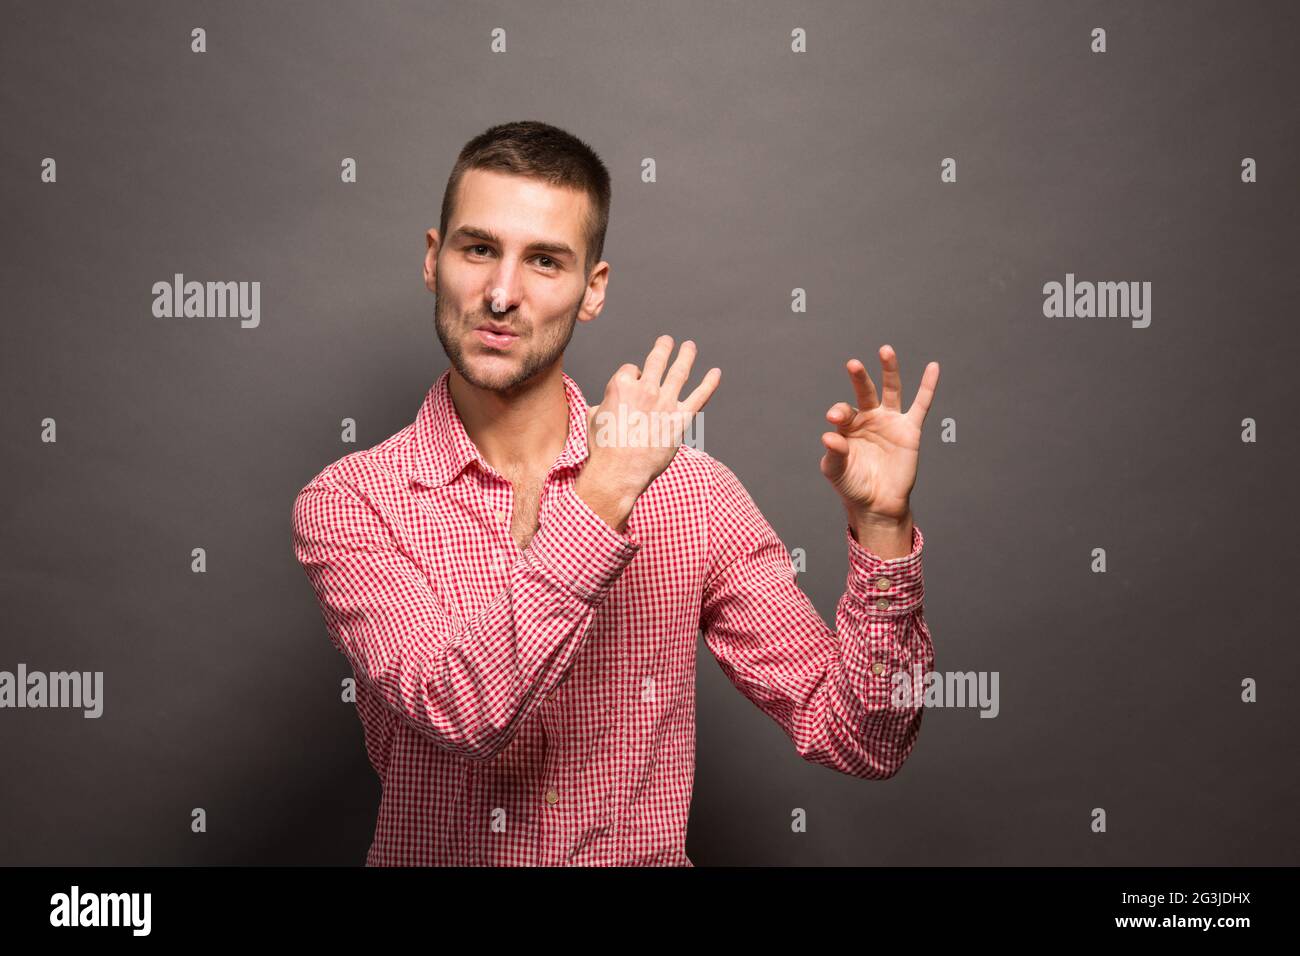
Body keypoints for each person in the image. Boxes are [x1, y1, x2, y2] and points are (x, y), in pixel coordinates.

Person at [291, 119, 940, 866]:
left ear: (592, 290)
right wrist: (602, 497)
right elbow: (461, 709)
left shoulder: (693, 496)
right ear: (434, 260)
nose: (502, 294)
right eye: (478, 249)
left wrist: (885, 531)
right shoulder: (351, 503)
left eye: (544, 262)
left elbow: (863, 739)